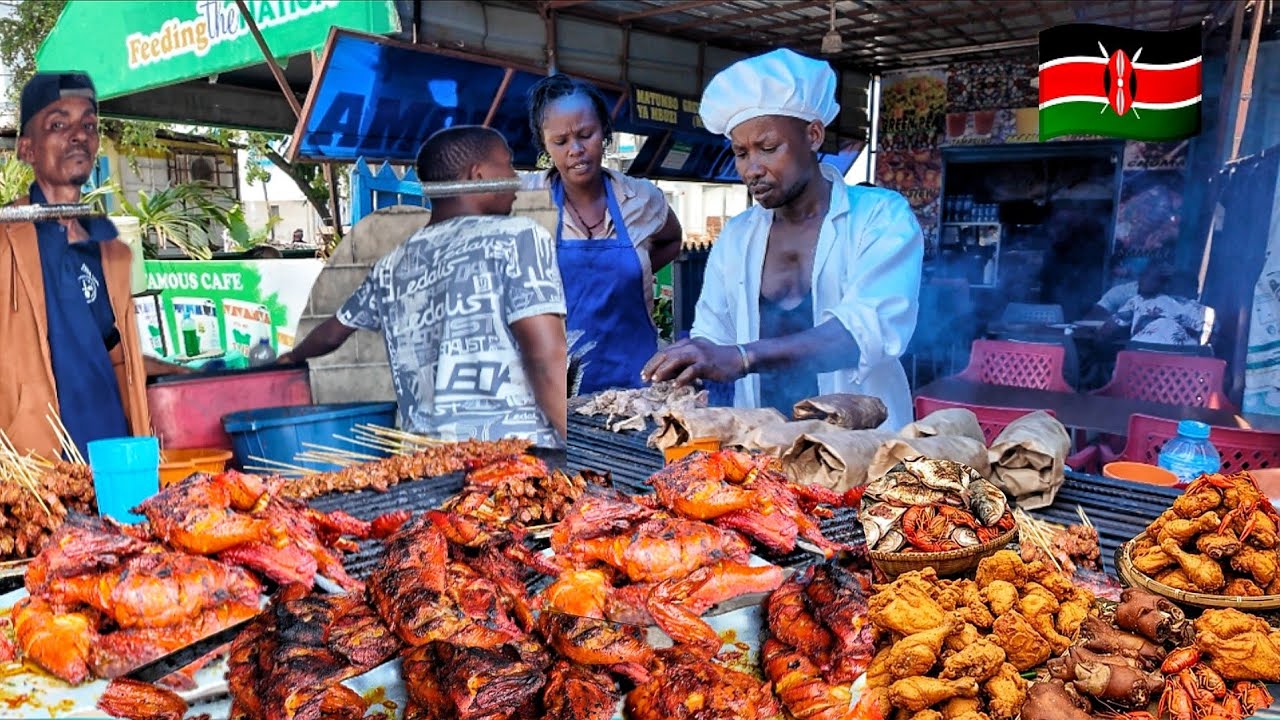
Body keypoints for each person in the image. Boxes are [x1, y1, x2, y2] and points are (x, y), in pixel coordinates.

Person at [642, 49, 924, 429]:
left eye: (768, 148)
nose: (752, 169)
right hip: (763, 452)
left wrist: (743, 356)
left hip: (867, 446)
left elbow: (861, 334)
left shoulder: (881, 217)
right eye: (741, 153)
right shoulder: (738, 236)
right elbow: (714, 335)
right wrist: (686, 363)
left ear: (813, 134)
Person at [280, 126, 567, 445]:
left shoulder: (392, 264)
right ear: (478, 175)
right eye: (507, 164)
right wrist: (577, 446)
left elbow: (333, 332)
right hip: (518, 460)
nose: (515, 180)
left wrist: (291, 358)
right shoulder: (519, 237)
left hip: (428, 460)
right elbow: (544, 358)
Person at [0, 72, 186, 459]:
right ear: (27, 149)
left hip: (115, 459)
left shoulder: (108, 249)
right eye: (57, 123)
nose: (78, 134)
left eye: (88, 124)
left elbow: (108, 348)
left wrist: (183, 375)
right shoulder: (6, 241)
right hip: (41, 470)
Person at [524, 74, 683, 394]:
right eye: (561, 141)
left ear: (605, 133)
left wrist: (637, 271)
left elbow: (673, 240)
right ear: (545, 144)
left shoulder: (642, 199)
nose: (576, 149)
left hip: (635, 386)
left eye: (586, 134)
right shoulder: (524, 203)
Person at [1102, 264, 1209, 347]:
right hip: (1185, 371)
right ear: (1196, 294)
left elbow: (1107, 331)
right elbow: (1211, 343)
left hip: (1140, 366)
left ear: (1166, 286)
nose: (1140, 282)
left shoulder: (1140, 301)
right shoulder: (1205, 312)